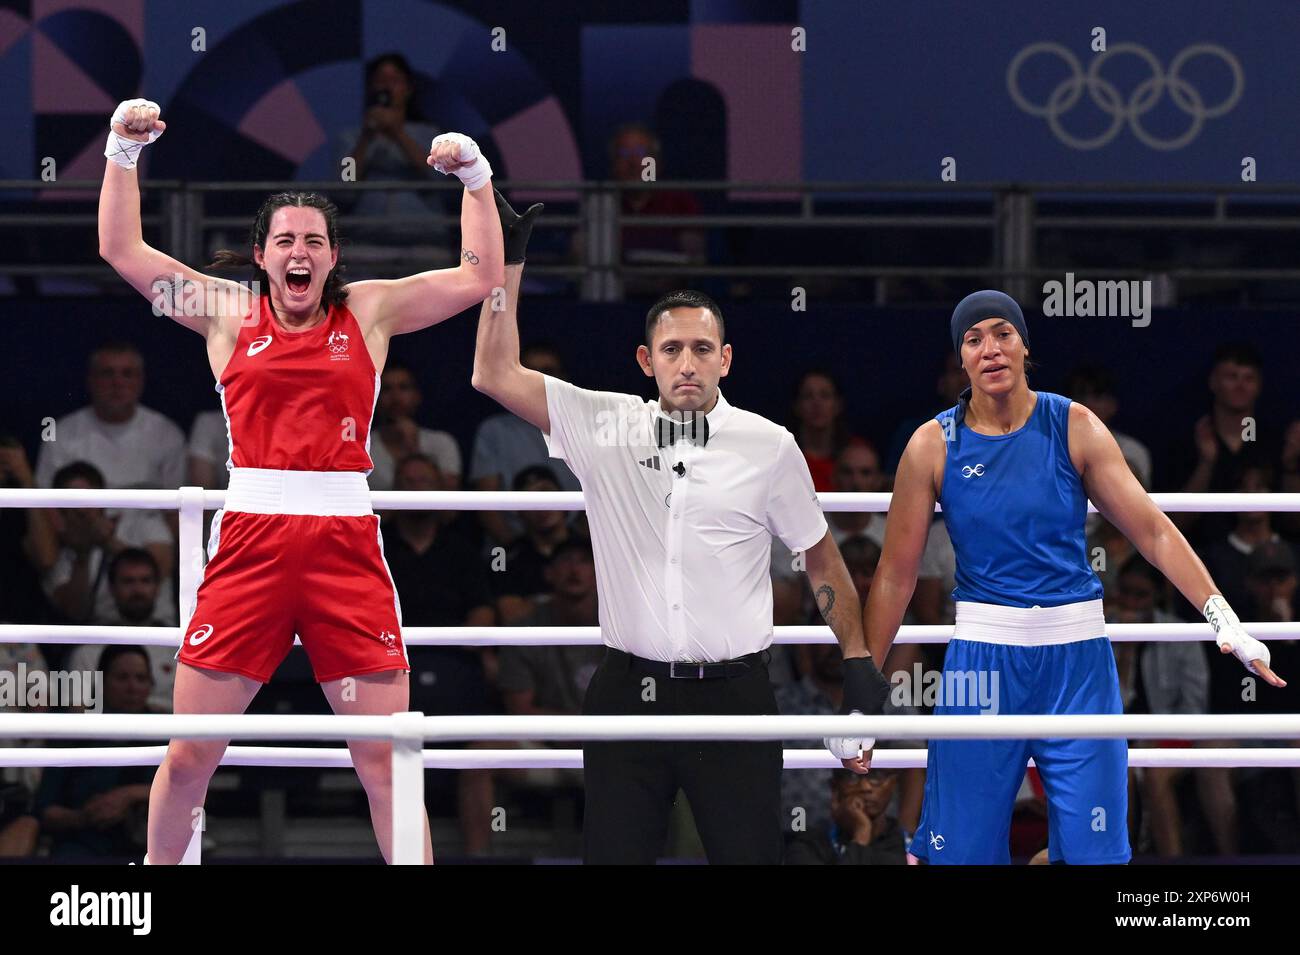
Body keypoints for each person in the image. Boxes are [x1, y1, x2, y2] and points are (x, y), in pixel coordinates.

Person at [97, 97, 503, 864]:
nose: (300, 251)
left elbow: (477, 276)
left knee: (385, 760)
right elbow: (122, 248)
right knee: (189, 757)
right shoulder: (225, 311)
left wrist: (475, 179)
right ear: (262, 255)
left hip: (346, 546)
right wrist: (122, 149)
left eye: (314, 240)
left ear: (331, 256)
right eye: (285, 238)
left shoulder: (371, 313)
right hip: (249, 542)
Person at [472, 191, 889, 864]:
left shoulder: (770, 444)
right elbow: (492, 373)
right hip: (625, 690)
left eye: (702, 348)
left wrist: (859, 656)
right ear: (646, 360)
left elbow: (819, 558)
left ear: (726, 359)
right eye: (673, 348)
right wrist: (507, 266)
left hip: (736, 694)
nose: (688, 362)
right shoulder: (604, 423)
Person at [864, 289, 1284, 865]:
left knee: (1096, 854)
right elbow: (894, 577)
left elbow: (1154, 532)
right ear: (959, 360)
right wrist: (862, 694)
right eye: (973, 339)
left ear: (1024, 346)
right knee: (958, 853)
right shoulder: (932, 445)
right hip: (981, 664)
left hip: (1078, 663)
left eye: (1002, 333)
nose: (990, 348)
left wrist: (1223, 616)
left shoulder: (1074, 425)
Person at [33, 645, 156, 860]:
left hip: (147, 846)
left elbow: (198, 795)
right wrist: (84, 817)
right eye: (122, 677)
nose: (132, 687)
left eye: (141, 678)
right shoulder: (73, 730)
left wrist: (128, 795)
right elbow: (44, 810)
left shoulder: (166, 730)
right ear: (101, 683)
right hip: (80, 845)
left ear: (150, 685)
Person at [367, 360, 462, 490]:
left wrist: (412, 448)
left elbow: (449, 507)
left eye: (403, 388)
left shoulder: (442, 443)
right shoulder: (364, 447)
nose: (395, 397)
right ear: (375, 396)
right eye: (386, 389)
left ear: (417, 396)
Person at [784, 769, 908, 865]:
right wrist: (861, 835)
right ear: (834, 787)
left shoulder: (914, 847)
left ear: (893, 783)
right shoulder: (807, 846)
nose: (865, 787)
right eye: (852, 776)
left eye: (876, 776)